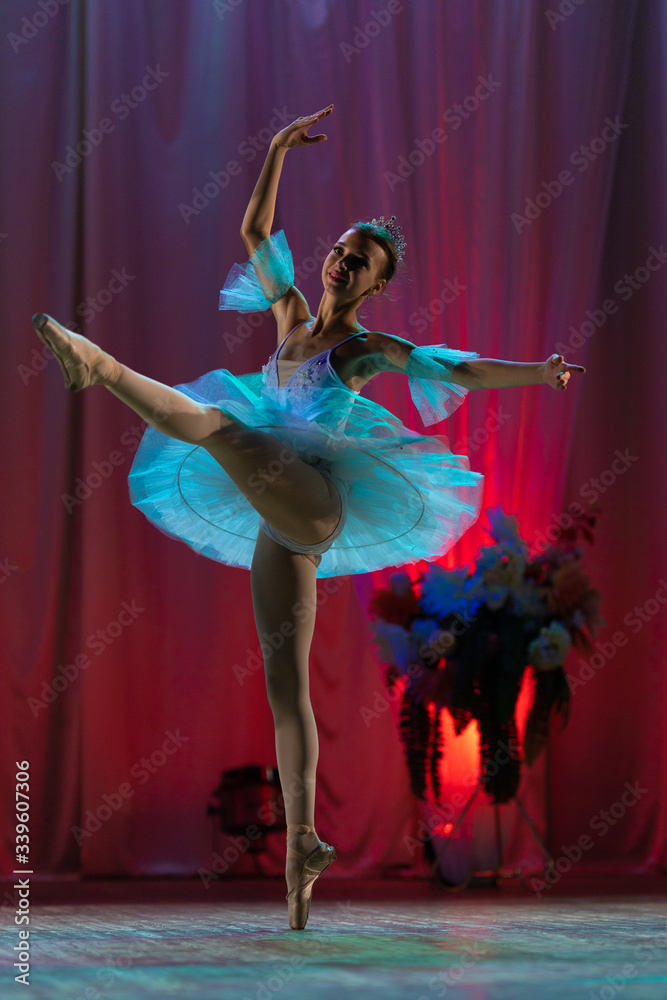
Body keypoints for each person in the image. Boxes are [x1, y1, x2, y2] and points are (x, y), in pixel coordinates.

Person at [31, 103, 585, 930]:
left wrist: (536, 374)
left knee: (219, 425)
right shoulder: (289, 316)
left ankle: (98, 362)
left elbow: (456, 370)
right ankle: (302, 849)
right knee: (284, 687)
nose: (339, 264)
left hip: (315, 497)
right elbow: (256, 231)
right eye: (339, 251)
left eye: (358, 263)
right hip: (277, 510)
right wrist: (278, 150)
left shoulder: (360, 349)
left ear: (376, 285)